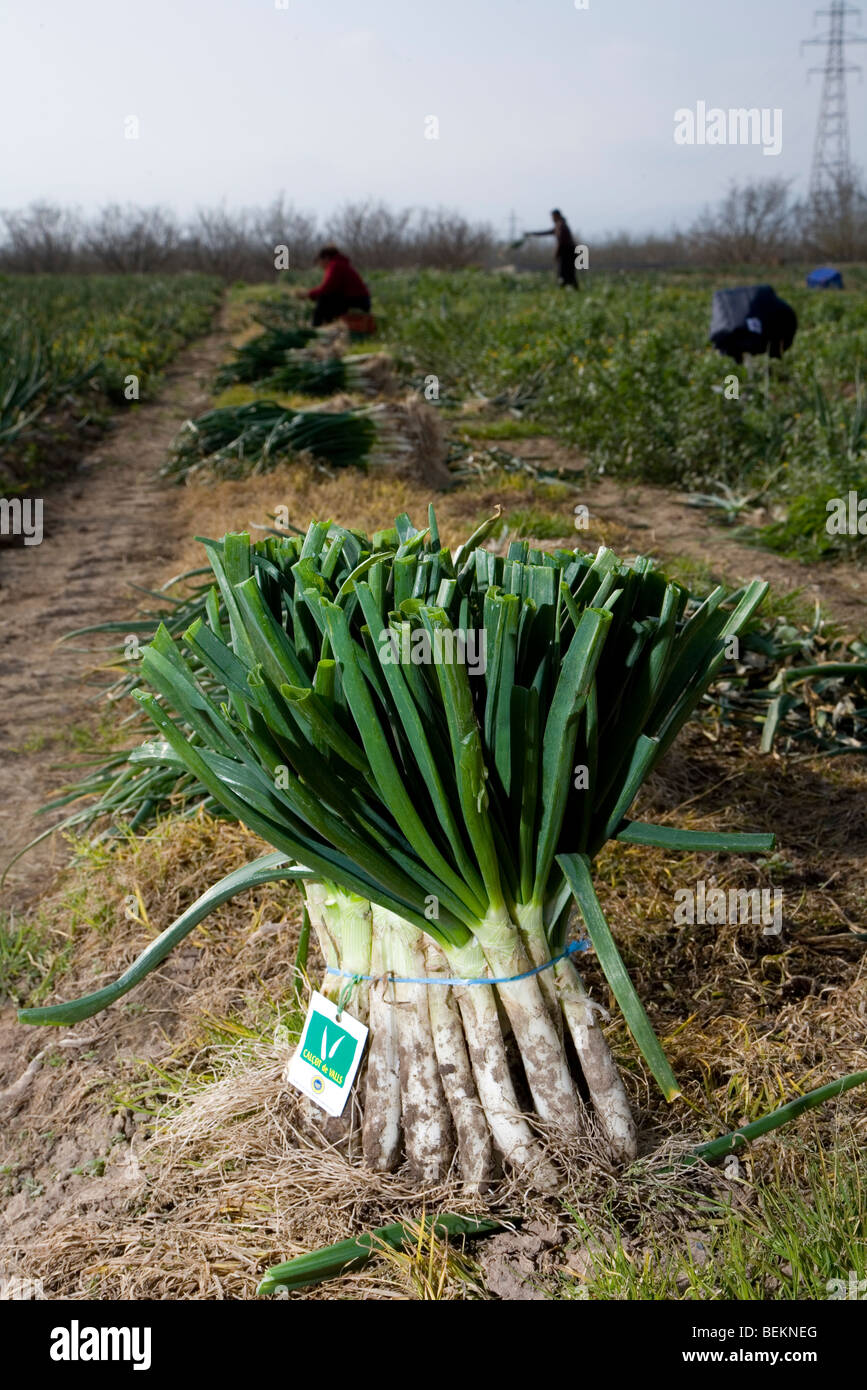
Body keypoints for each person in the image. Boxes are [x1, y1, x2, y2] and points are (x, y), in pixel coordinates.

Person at [297, 245, 371, 326]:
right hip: (359, 300)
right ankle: (328, 325)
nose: (320, 266)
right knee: (328, 300)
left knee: (324, 299)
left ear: (326, 258)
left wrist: (308, 294)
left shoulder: (335, 266)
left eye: (319, 262)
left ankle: (316, 327)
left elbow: (327, 288)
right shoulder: (339, 264)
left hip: (358, 302)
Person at [524, 210, 579, 289]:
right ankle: (571, 290)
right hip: (568, 253)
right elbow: (545, 232)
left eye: (553, 217)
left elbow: (561, 241)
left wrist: (556, 253)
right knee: (569, 274)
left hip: (568, 253)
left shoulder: (561, 226)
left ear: (557, 216)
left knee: (564, 274)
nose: (552, 219)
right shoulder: (559, 225)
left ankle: (564, 291)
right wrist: (531, 234)